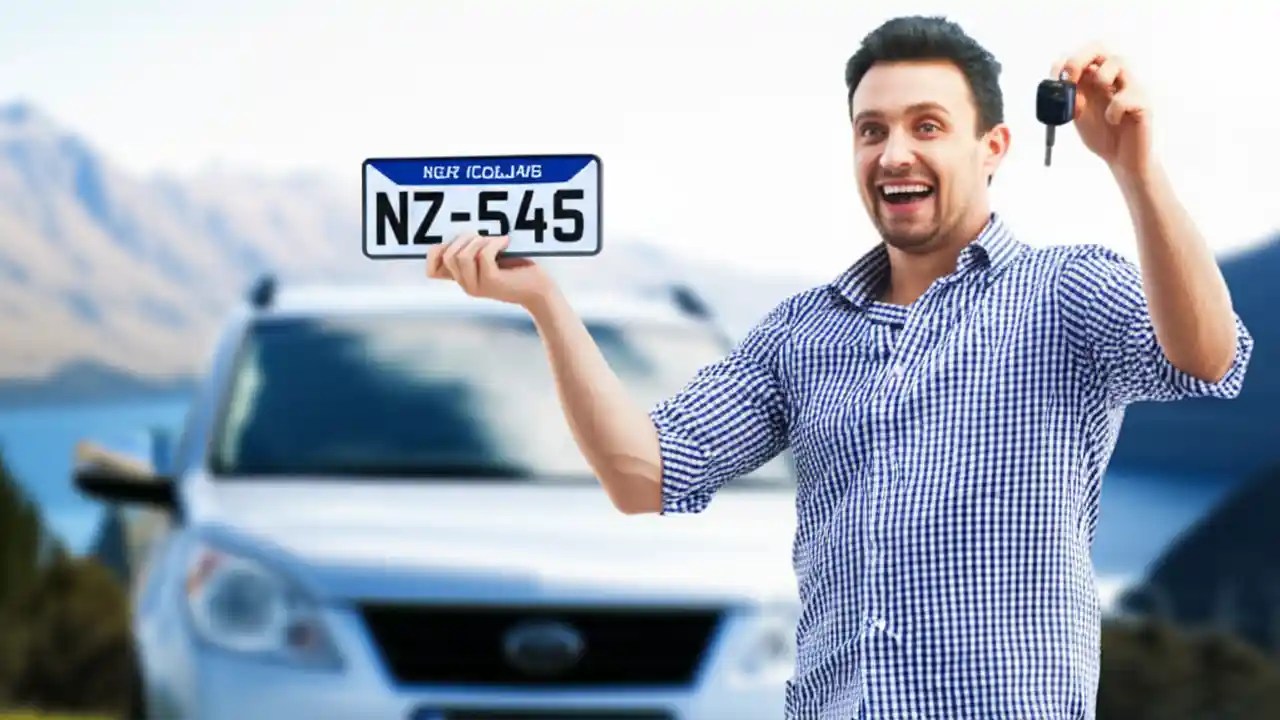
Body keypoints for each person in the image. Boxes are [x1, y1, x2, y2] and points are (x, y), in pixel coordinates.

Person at [424, 14, 1254, 720]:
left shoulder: (1068, 289)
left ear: (993, 147)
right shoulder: (801, 332)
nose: (894, 152)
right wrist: (545, 304)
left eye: (927, 126)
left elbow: (1206, 356)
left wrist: (1134, 169)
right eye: (872, 129)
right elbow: (643, 474)